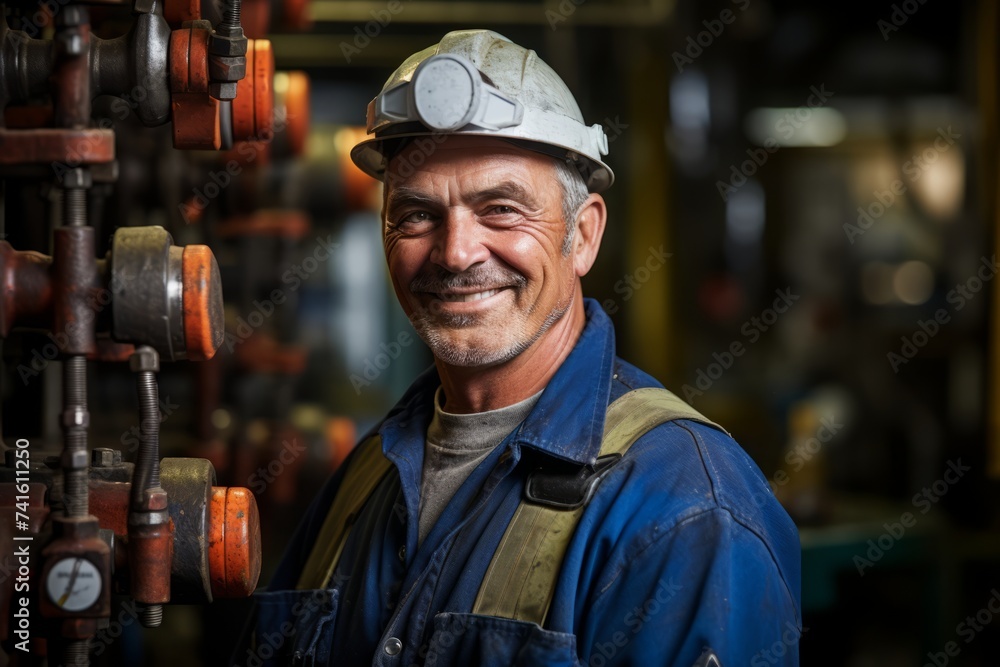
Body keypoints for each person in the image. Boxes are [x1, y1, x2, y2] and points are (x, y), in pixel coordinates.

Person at [238, 29, 801, 667]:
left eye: (501, 209)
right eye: (417, 214)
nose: (455, 253)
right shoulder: (368, 475)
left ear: (583, 235)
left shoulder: (687, 511)